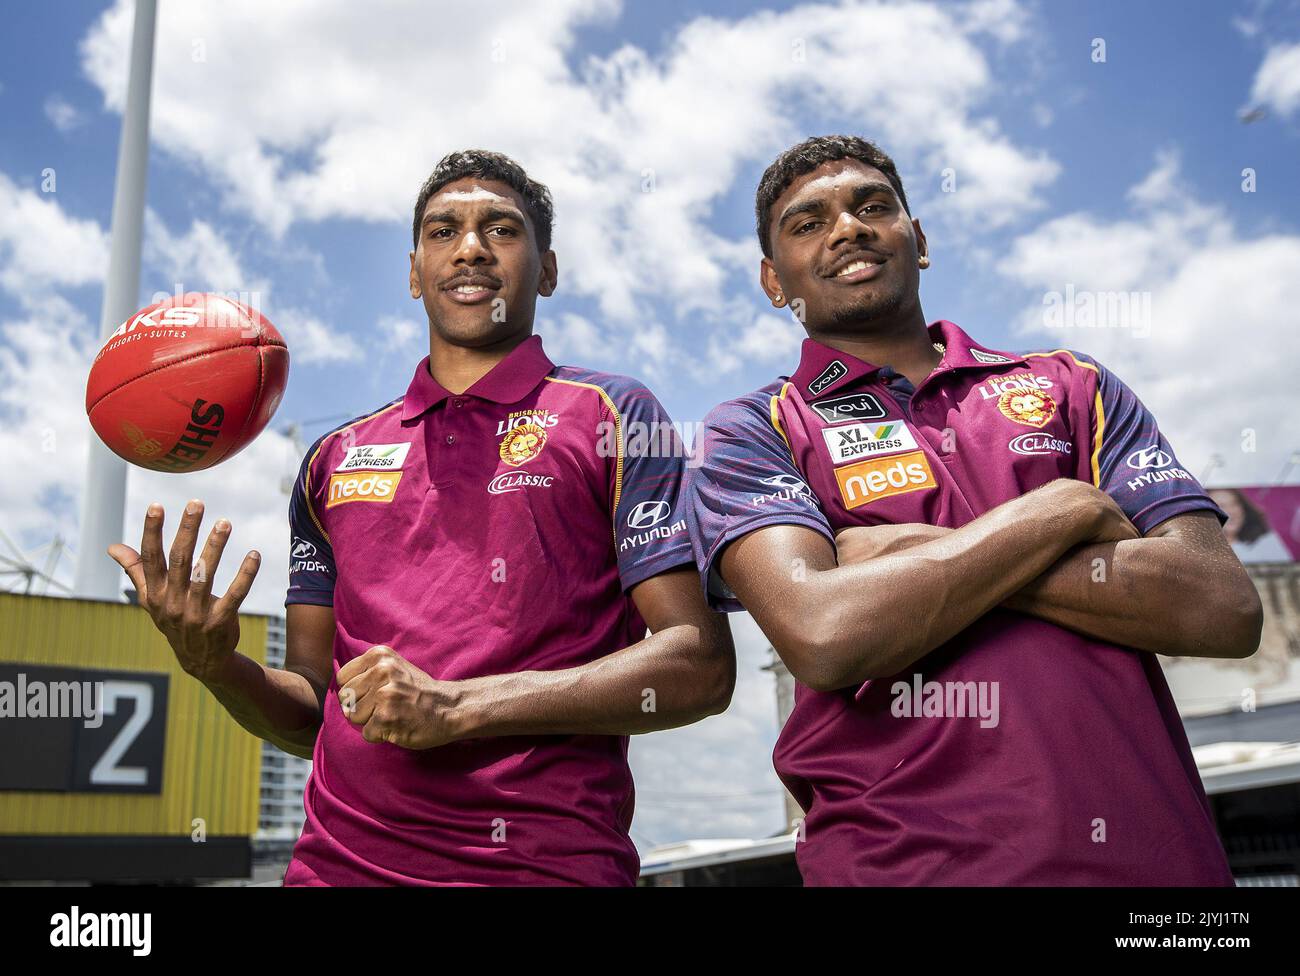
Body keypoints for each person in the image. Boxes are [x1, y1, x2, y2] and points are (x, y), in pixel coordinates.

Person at [109, 149, 734, 886]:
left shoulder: (613, 415)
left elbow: (697, 664)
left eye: (500, 228)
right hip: (334, 872)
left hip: (543, 869)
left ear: (549, 269)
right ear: (413, 273)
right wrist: (219, 669)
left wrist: (459, 706)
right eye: (443, 231)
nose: (469, 246)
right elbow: (315, 711)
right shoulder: (333, 459)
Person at [684, 135, 1262, 885]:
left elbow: (1220, 608)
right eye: (808, 222)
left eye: (873, 207)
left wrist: (897, 554)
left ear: (918, 240)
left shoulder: (1073, 385)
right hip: (900, 868)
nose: (848, 229)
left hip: (1157, 874)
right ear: (772, 280)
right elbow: (825, 633)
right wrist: (1064, 511)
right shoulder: (752, 428)